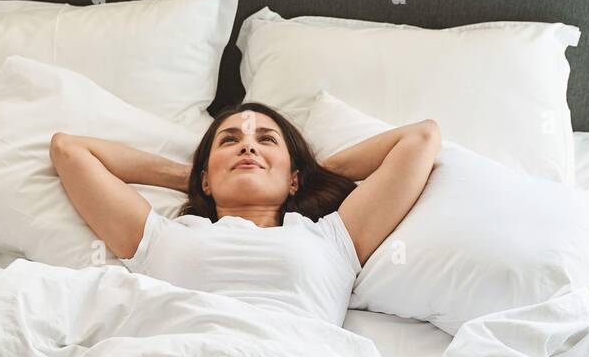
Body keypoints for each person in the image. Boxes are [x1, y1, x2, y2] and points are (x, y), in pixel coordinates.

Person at [49, 102, 441, 326]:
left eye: (265, 140)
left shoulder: (332, 238)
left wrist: (313, 173)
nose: (248, 148)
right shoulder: (163, 236)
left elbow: (420, 137)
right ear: (205, 180)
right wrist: (188, 177)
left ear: (294, 180)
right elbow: (69, 150)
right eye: (230, 141)